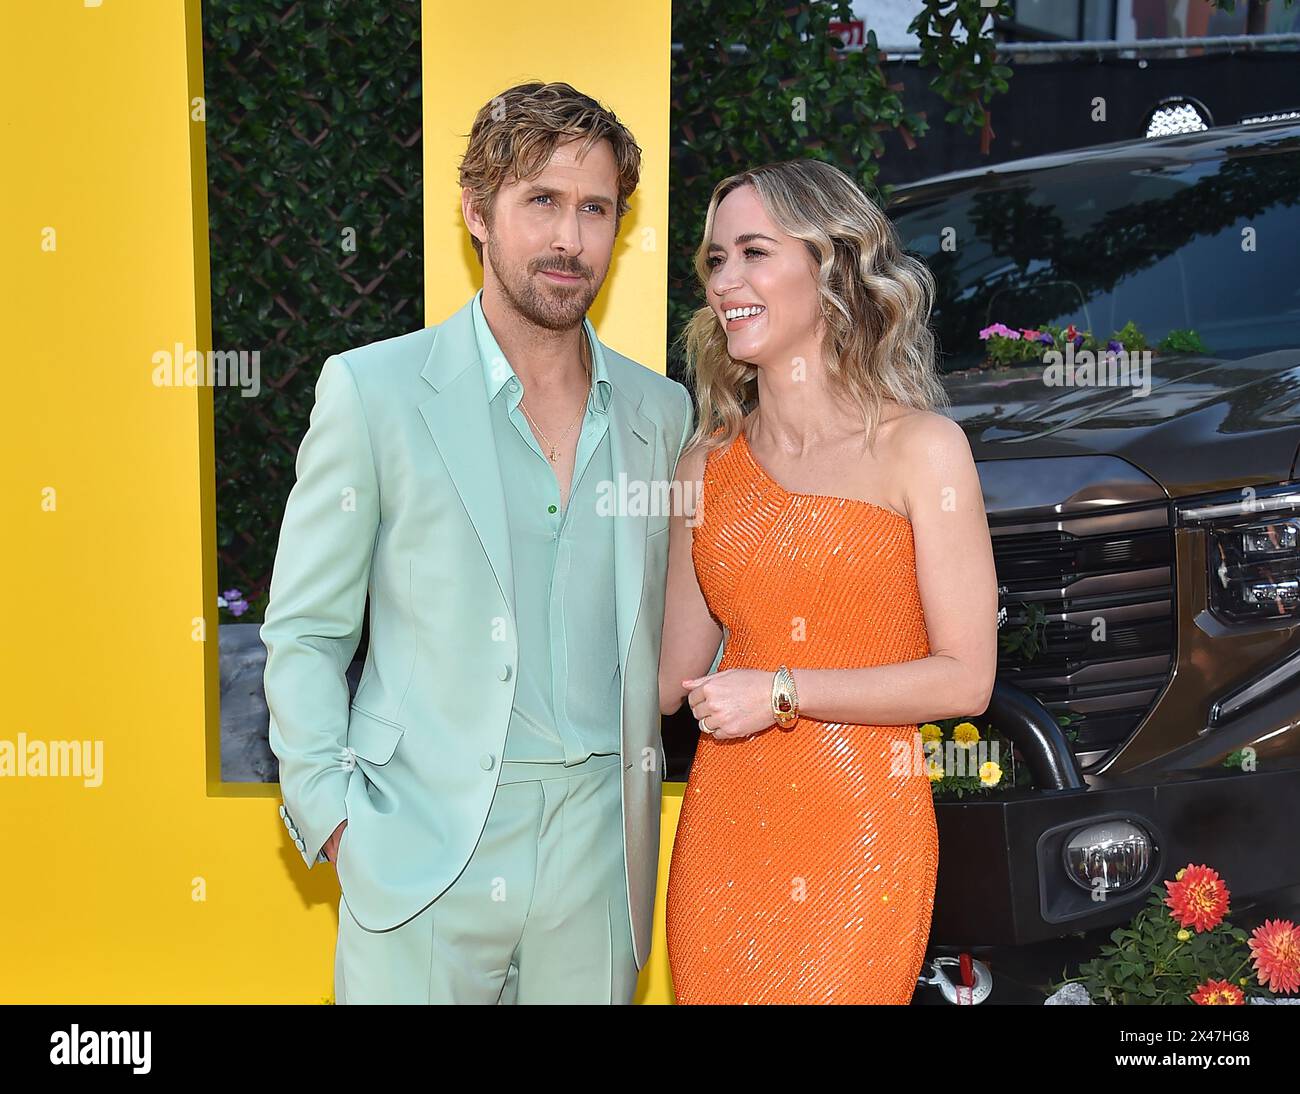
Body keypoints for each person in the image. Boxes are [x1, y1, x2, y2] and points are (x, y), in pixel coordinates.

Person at [262, 81, 693, 1004]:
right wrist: (337, 820)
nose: (570, 239)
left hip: (597, 855)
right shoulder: (372, 392)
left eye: (594, 208)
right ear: (476, 214)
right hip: (420, 851)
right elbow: (304, 632)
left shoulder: (663, 412)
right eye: (540, 201)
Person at [659, 159, 998, 1004]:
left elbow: (967, 676)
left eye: (754, 253)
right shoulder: (704, 467)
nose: (726, 281)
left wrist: (781, 690)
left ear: (832, 266)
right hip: (726, 839)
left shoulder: (921, 450)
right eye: (714, 260)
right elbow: (667, 679)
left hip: (862, 834)